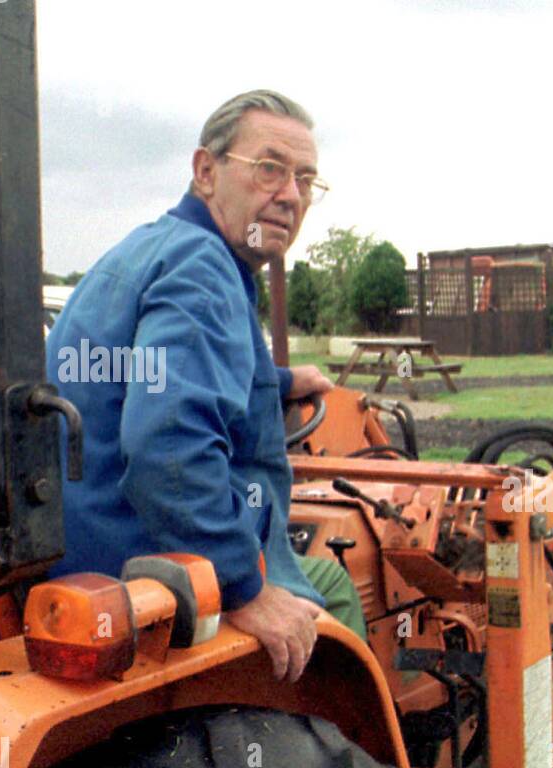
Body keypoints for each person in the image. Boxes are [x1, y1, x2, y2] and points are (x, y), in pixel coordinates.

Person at [46, 90, 363, 683]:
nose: (290, 195)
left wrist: (283, 381)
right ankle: (382, 766)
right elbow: (169, 445)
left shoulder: (147, 250)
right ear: (206, 171)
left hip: (79, 551)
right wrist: (244, 586)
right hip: (145, 562)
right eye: (269, 168)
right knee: (333, 592)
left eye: (305, 180)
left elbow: (140, 372)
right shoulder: (205, 270)